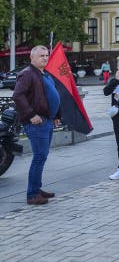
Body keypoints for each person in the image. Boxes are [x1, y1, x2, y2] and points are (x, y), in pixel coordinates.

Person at [12, 45, 60, 205]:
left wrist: (56, 115)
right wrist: (31, 115)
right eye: (41, 56)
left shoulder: (44, 74)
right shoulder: (27, 74)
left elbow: (51, 95)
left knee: (42, 157)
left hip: (47, 120)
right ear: (32, 58)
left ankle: (36, 188)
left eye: (46, 55)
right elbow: (18, 96)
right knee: (39, 157)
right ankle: (32, 194)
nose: (45, 58)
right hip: (36, 122)